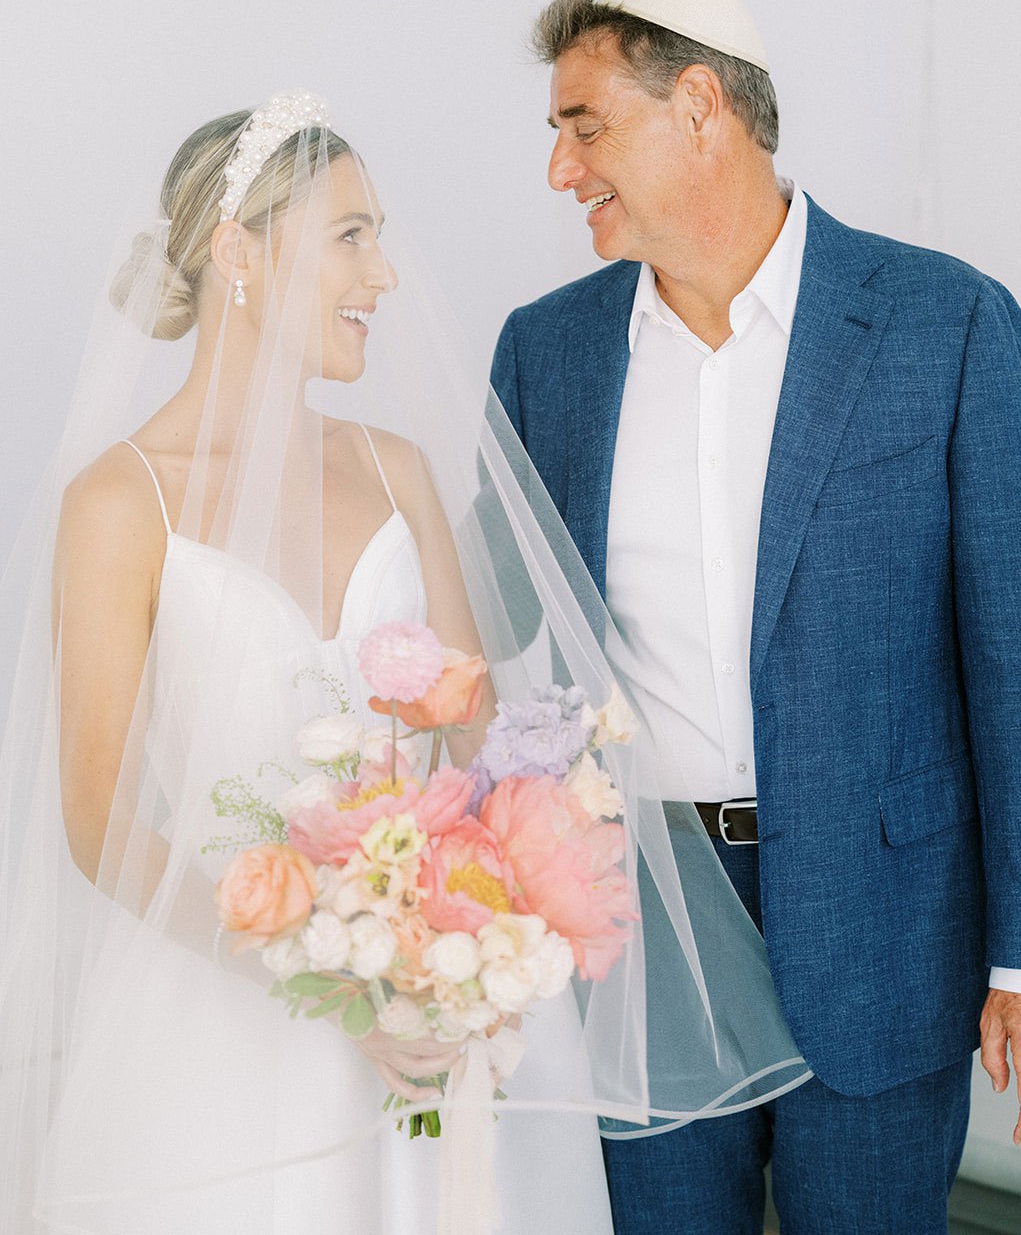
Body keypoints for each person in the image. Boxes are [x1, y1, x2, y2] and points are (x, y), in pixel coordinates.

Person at [0, 93, 810, 1234]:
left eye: (377, 236)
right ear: (238, 251)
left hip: (447, 1009)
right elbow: (98, 816)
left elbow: (476, 757)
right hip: (227, 1030)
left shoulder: (397, 470)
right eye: (350, 237)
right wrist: (332, 985)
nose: (382, 275)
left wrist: (467, 949)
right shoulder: (119, 502)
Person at [490, 0, 1021, 1235]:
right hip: (639, 931)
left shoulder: (950, 325)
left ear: (701, 105)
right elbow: (513, 657)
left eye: (583, 124)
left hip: (886, 926)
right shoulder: (542, 351)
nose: (560, 168)